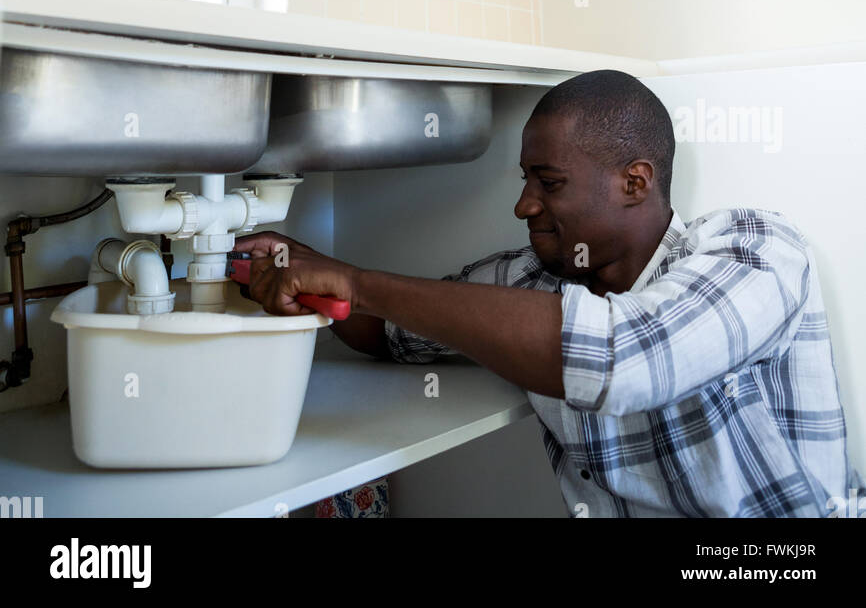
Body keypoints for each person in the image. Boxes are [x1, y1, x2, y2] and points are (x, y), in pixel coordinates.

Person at [241, 69, 863, 518]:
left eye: (550, 182)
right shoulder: (531, 282)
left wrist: (354, 282)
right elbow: (385, 329)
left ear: (635, 181)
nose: (523, 203)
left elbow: (622, 356)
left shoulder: (753, 248)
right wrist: (298, 269)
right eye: (525, 179)